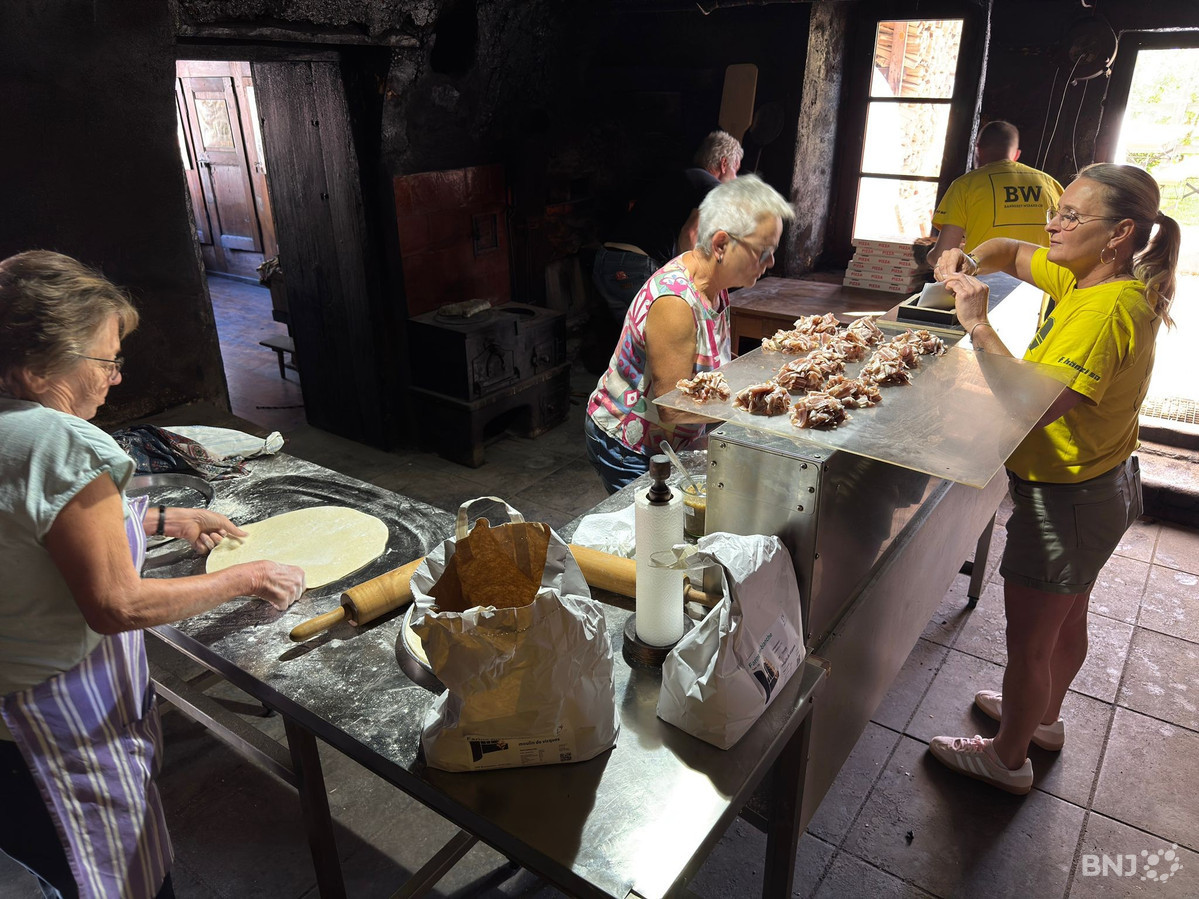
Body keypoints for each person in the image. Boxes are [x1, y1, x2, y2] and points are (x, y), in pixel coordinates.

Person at [0, 251, 306, 898]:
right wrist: (244, 577)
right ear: (35, 369)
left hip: (7, 729)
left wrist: (161, 518)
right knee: (112, 874)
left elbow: (33, 533)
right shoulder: (62, 443)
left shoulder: (11, 433)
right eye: (106, 360)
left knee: (46, 867)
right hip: (56, 722)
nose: (115, 377)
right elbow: (117, 604)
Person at [925, 163, 1181, 794]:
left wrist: (977, 322)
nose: (1053, 223)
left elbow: (1025, 405)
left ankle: (1007, 758)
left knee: (1031, 642)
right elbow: (1009, 250)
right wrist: (968, 256)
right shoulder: (1088, 278)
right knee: (1067, 620)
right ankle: (1043, 720)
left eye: (1072, 216)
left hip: (1068, 499)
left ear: (1120, 233)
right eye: (1057, 209)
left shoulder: (1105, 311)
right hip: (1101, 482)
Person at [585, 174, 795, 493]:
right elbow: (672, 406)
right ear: (721, 244)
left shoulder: (716, 286)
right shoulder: (675, 303)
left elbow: (712, 361)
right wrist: (755, 409)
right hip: (631, 442)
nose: (771, 261)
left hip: (672, 437)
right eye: (762, 251)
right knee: (653, 530)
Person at [592, 130, 744, 322]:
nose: (735, 178)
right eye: (735, 170)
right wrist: (689, 284)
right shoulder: (711, 185)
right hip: (636, 266)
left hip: (605, 260)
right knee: (667, 337)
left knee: (635, 343)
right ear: (724, 164)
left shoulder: (678, 176)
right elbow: (690, 233)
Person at [926, 121, 1063, 269]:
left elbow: (941, 258)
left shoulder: (965, 185)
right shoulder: (1051, 184)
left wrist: (926, 256)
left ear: (977, 149)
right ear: (1016, 154)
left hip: (980, 287)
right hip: (1041, 286)